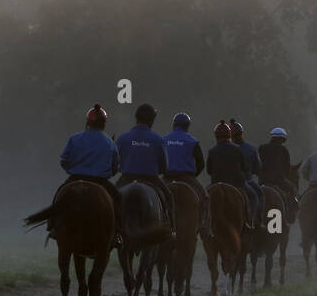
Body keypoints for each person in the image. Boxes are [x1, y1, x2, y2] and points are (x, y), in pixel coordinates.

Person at [59, 103, 123, 245]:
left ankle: (53, 225)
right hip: (100, 182)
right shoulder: (110, 143)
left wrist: (71, 168)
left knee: (59, 195)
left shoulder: (74, 138)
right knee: (118, 199)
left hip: (75, 179)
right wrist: (108, 173)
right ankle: (118, 232)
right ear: (104, 123)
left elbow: (63, 161)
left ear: (88, 121)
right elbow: (115, 167)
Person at [114, 103, 175, 237]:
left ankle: (111, 230)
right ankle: (171, 229)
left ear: (136, 118)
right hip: (151, 178)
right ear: (152, 120)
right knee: (169, 197)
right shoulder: (158, 139)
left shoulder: (123, 138)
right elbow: (164, 167)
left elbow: (116, 161)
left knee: (111, 198)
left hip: (126, 178)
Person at [163, 111, 212, 237]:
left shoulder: (164, 139)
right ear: (187, 126)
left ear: (174, 125)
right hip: (186, 177)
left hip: (167, 177)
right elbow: (201, 163)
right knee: (205, 197)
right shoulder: (192, 141)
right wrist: (193, 175)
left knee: (156, 196)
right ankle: (204, 228)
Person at [206, 120, 256, 230]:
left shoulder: (212, 151)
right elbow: (244, 168)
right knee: (253, 196)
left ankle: (204, 224)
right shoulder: (237, 149)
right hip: (237, 183)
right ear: (229, 135)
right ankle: (249, 221)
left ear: (216, 135)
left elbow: (209, 171)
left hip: (217, 183)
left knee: (203, 197)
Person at [229, 119, 266, 229]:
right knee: (258, 195)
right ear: (241, 133)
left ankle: (207, 224)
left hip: (226, 180)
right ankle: (255, 219)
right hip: (246, 181)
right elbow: (257, 168)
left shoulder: (226, 148)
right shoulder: (251, 148)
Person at [256, 127, 300, 216]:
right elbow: (287, 169)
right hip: (278, 181)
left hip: (262, 181)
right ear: (282, 139)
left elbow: (257, 165)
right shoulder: (284, 150)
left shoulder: (262, 148)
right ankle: (292, 211)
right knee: (292, 190)